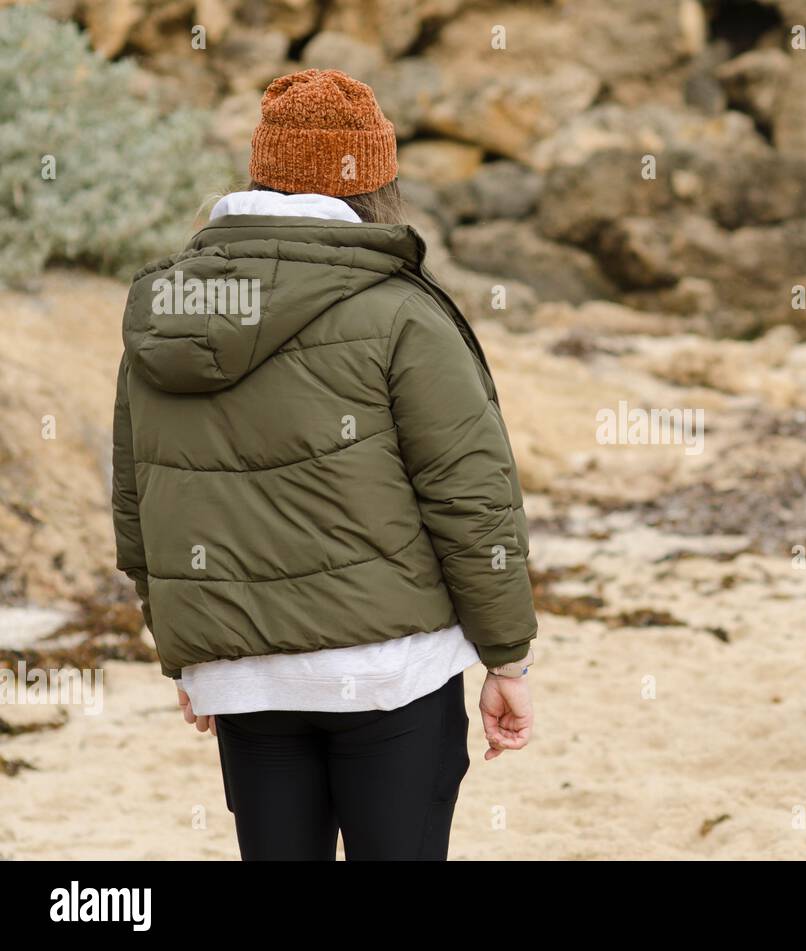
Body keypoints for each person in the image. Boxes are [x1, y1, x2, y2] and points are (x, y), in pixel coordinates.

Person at [110, 69, 537, 861]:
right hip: (389, 672)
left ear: (259, 170)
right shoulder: (403, 309)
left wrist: (187, 648)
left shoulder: (170, 311)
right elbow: (472, 500)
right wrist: (506, 655)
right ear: (375, 180)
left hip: (244, 673)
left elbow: (142, 498)